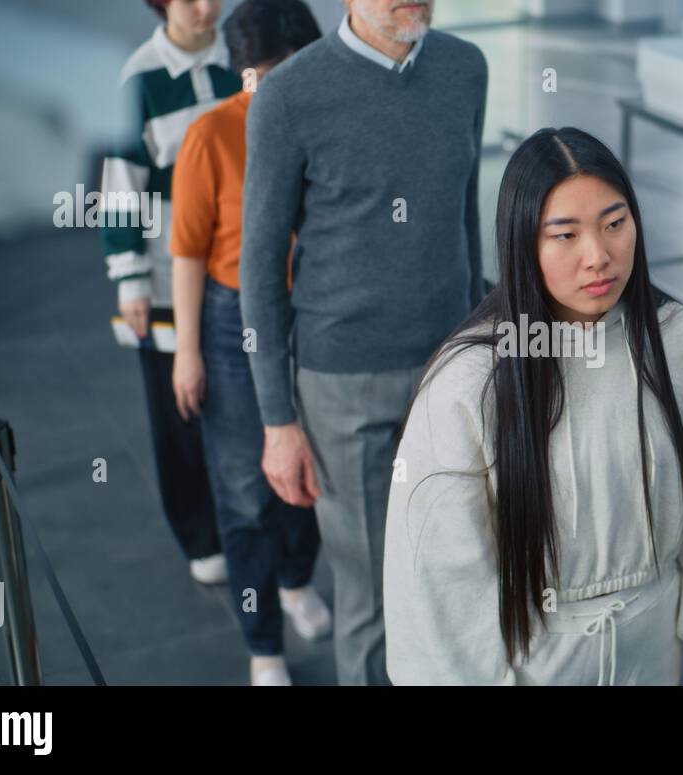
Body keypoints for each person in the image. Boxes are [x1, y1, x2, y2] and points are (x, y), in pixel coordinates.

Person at [383, 128, 683, 685]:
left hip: (652, 647)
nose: (599, 256)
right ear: (523, 243)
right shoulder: (470, 379)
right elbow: (442, 574)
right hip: (533, 663)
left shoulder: (672, 341)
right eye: (565, 235)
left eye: (615, 224)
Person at [239, 0, 487, 685]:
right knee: (374, 592)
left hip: (454, 370)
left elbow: (465, 222)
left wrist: (483, 350)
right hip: (342, 383)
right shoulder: (289, 96)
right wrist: (276, 419)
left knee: (458, 568)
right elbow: (258, 267)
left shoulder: (466, 69)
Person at [169, 0, 330, 687]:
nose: (267, 84)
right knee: (244, 491)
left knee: (314, 474)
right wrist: (188, 349)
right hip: (236, 323)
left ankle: (297, 581)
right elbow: (186, 250)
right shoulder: (210, 134)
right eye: (257, 72)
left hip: (319, 312)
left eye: (283, 68)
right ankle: (263, 645)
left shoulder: (330, 123)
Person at [101, 0, 241, 585]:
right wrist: (129, 276)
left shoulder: (241, 58)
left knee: (238, 401)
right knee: (176, 410)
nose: (206, 9)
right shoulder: (138, 78)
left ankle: (249, 524)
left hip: (233, 265)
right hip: (164, 274)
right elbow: (119, 187)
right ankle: (199, 535)